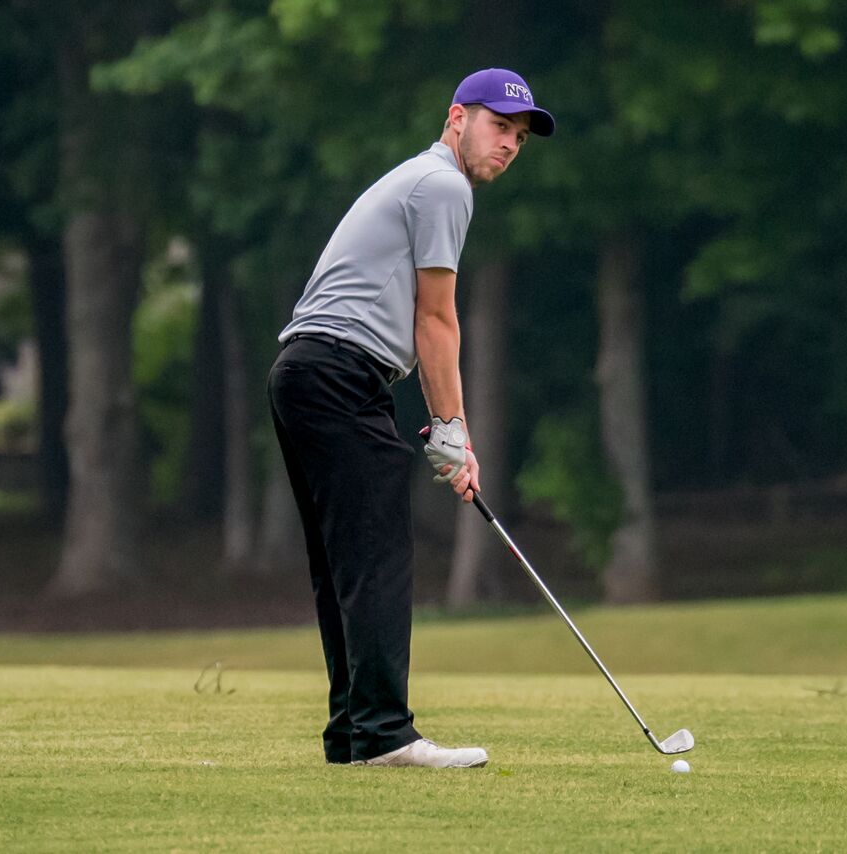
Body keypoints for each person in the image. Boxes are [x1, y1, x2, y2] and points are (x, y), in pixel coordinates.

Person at [267, 68, 554, 769]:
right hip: (335, 373)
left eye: (519, 136)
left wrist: (443, 424)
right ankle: (386, 734)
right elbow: (436, 318)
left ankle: (356, 736)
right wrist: (453, 430)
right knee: (376, 557)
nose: (510, 145)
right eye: (498, 126)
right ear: (457, 118)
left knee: (346, 564)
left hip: (311, 374)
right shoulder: (443, 185)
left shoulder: (422, 182)